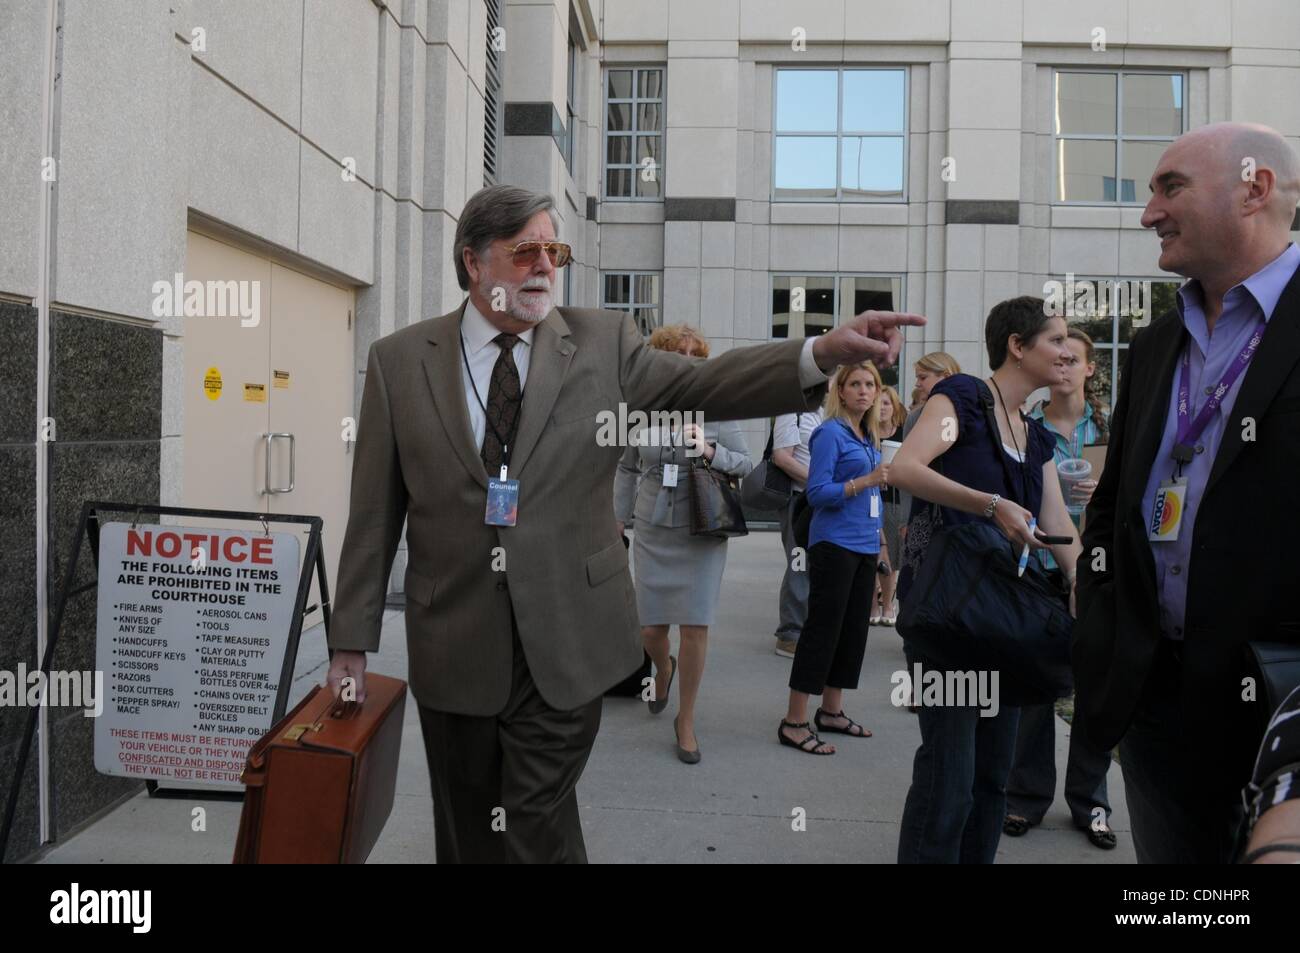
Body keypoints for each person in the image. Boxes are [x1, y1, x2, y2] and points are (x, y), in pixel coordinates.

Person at [323, 184, 925, 863]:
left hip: (570, 635)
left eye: (555, 250)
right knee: (468, 827)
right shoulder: (402, 361)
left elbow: (708, 383)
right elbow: (374, 511)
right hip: (454, 639)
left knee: (531, 817)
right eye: (525, 252)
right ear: (473, 262)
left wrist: (818, 354)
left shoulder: (603, 343)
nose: (546, 266)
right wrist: (351, 640)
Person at [1073, 122, 1300, 864]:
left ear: (1254, 189)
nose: (1147, 214)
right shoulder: (1153, 344)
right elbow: (1112, 506)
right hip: (1155, 707)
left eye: (1170, 187)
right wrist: (1107, 622)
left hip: (1280, 705)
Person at [890, 296, 1082, 863]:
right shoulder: (964, 399)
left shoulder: (1036, 435)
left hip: (1002, 622)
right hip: (947, 616)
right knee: (949, 775)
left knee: (993, 778)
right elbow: (904, 468)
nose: (1068, 350)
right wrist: (989, 503)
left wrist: (1082, 580)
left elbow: (1057, 521)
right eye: (1055, 339)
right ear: (1017, 347)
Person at [613, 325, 754, 764]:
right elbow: (626, 467)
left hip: (702, 524)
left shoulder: (717, 406)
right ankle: (662, 666)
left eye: (696, 354)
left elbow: (746, 462)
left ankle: (686, 719)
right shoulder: (640, 408)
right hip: (653, 525)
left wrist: (709, 449)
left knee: (696, 625)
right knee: (650, 628)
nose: (688, 360)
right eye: (678, 353)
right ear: (660, 360)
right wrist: (617, 520)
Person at [1004, 328, 1116, 849]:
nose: (1064, 366)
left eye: (1075, 360)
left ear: (1090, 369)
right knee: (1033, 687)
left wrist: (1109, 487)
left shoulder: (1112, 429)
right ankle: (1025, 798)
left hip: (1097, 570)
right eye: (1059, 357)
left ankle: (1091, 802)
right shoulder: (1027, 428)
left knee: (1094, 687)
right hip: (1038, 567)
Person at [777, 362, 888, 755]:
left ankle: (832, 711)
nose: (863, 390)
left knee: (853, 631)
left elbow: (874, 501)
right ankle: (794, 721)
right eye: (854, 384)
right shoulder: (829, 433)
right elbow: (818, 492)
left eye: (869, 384)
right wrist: (866, 481)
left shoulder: (868, 435)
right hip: (834, 543)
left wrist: (881, 546)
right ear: (839, 392)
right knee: (822, 629)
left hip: (864, 544)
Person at [770, 406, 825, 657]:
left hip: (824, 499)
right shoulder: (793, 411)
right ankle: (790, 633)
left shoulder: (829, 411)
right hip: (799, 498)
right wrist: (818, 481)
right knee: (799, 563)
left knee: (817, 564)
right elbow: (781, 457)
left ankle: (810, 628)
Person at [873, 385, 907, 625]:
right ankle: (873, 605)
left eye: (886, 403)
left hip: (896, 498)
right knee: (873, 553)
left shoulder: (904, 433)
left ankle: (887, 604)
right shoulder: (867, 432)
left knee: (892, 556)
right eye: (878, 403)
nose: (882, 408)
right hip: (870, 496)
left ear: (894, 407)